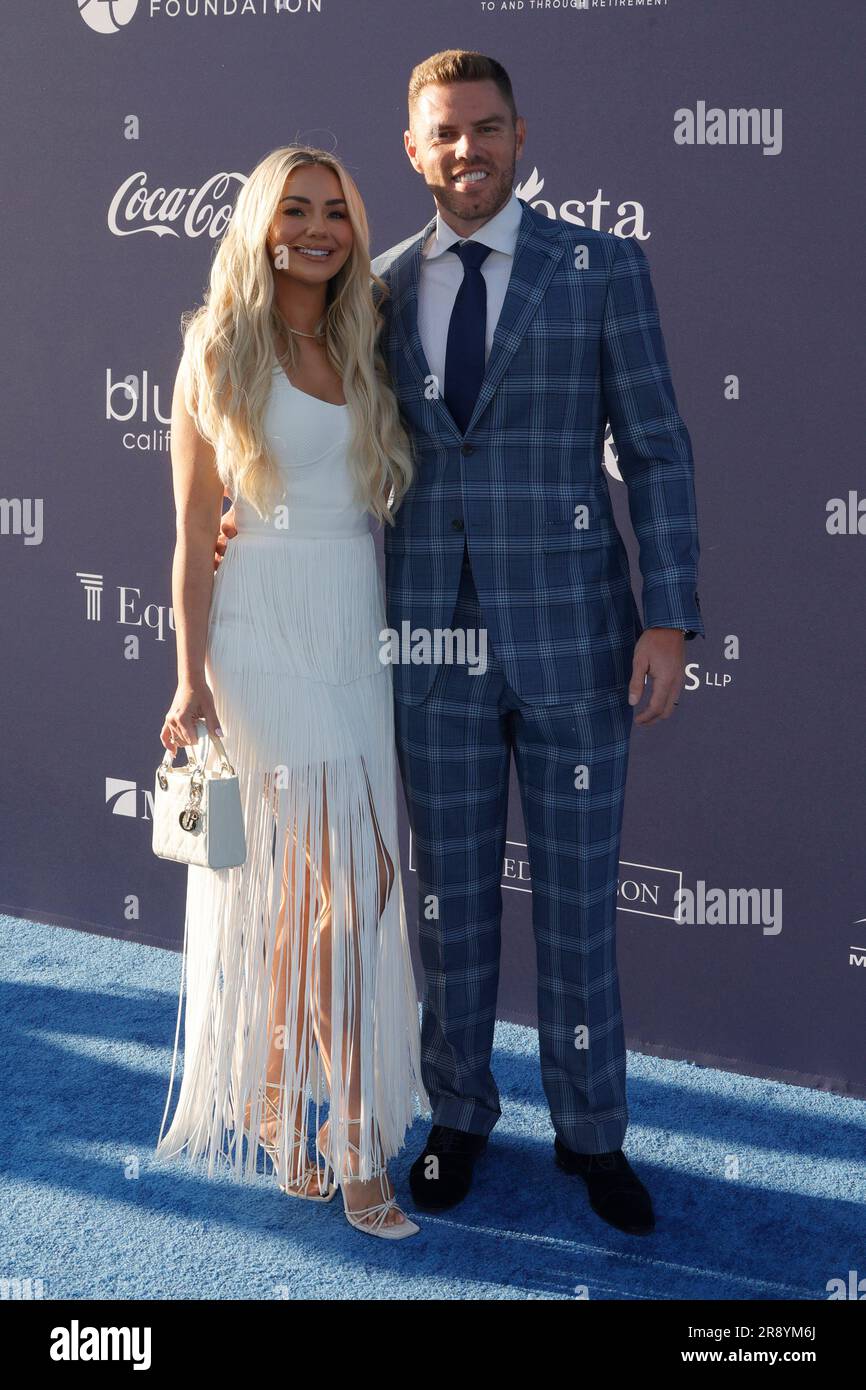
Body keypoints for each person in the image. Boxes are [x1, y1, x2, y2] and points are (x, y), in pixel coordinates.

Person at [219, 51, 704, 1238]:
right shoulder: (369, 291)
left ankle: (592, 1135)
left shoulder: (597, 267)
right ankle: (457, 1116)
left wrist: (666, 617)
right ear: (412, 149)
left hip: (578, 645)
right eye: (443, 135)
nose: (466, 151)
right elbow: (304, 421)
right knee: (448, 913)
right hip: (422, 650)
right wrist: (244, 503)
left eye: (484, 130)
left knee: (581, 907)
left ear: (519, 134)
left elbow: (656, 449)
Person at [155, 145, 429, 1240]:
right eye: (295, 211)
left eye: (335, 212)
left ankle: (275, 1090)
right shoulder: (217, 346)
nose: (316, 228)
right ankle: (353, 1139)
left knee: (324, 893)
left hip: (349, 621)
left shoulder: (365, 331)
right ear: (262, 225)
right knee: (350, 883)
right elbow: (188, 533)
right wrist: (187, 678)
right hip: (260, 629)